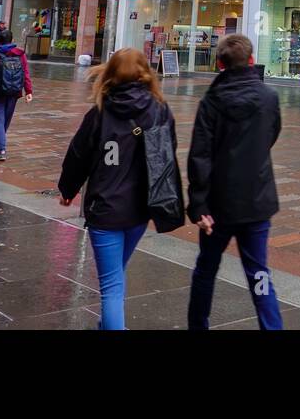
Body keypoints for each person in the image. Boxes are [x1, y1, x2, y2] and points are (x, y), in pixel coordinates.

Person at [58, 48, 179, 331]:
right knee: (116, 275)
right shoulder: (159, 109)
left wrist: (68, 189)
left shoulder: (100, 111)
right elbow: (167, 155)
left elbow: (78, 154)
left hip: (105, 208)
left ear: (111, 73)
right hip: (140, 209)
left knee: (111, 285)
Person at [187, 33, 284, 331]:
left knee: (206, 269)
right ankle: (272, 326)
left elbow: (199, 155)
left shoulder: (211, 101)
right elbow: (271, 135)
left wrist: (199, 205)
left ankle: (198, 325)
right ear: (252, 61)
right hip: (257, 199)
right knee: (258, 273)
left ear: (219, 63)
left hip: (218, 204)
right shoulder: (269, 97)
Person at [0, 28, 33, 162]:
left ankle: (1, 149)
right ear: (12, 40)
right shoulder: (20, 54)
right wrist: (28, 91)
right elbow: (25, 73)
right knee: (5, 120)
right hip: (15, 92)